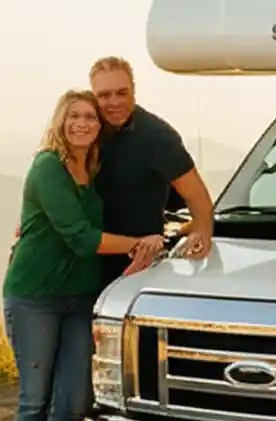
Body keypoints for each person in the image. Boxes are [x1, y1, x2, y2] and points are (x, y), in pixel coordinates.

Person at [2, 89, 165, 421]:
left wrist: (164, 231)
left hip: (80, 298)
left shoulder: (91, 168)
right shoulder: (48, 167)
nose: (82, 122)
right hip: (34, 296)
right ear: (60, 120)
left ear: (98, 126)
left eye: (89, 116)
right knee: (35, 400)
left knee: (74, 400)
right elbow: (78, 236)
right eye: (73, 115)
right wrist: (137, 242)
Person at [86, 55, 214, 282]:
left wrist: (201, 237)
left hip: (138, 265)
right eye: (104, 95)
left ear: (134, 91)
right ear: (93, 96)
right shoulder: (86, 129)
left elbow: (197, 196)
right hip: (83, 264)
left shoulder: (157, 137)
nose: (114, 102)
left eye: (122, 92)